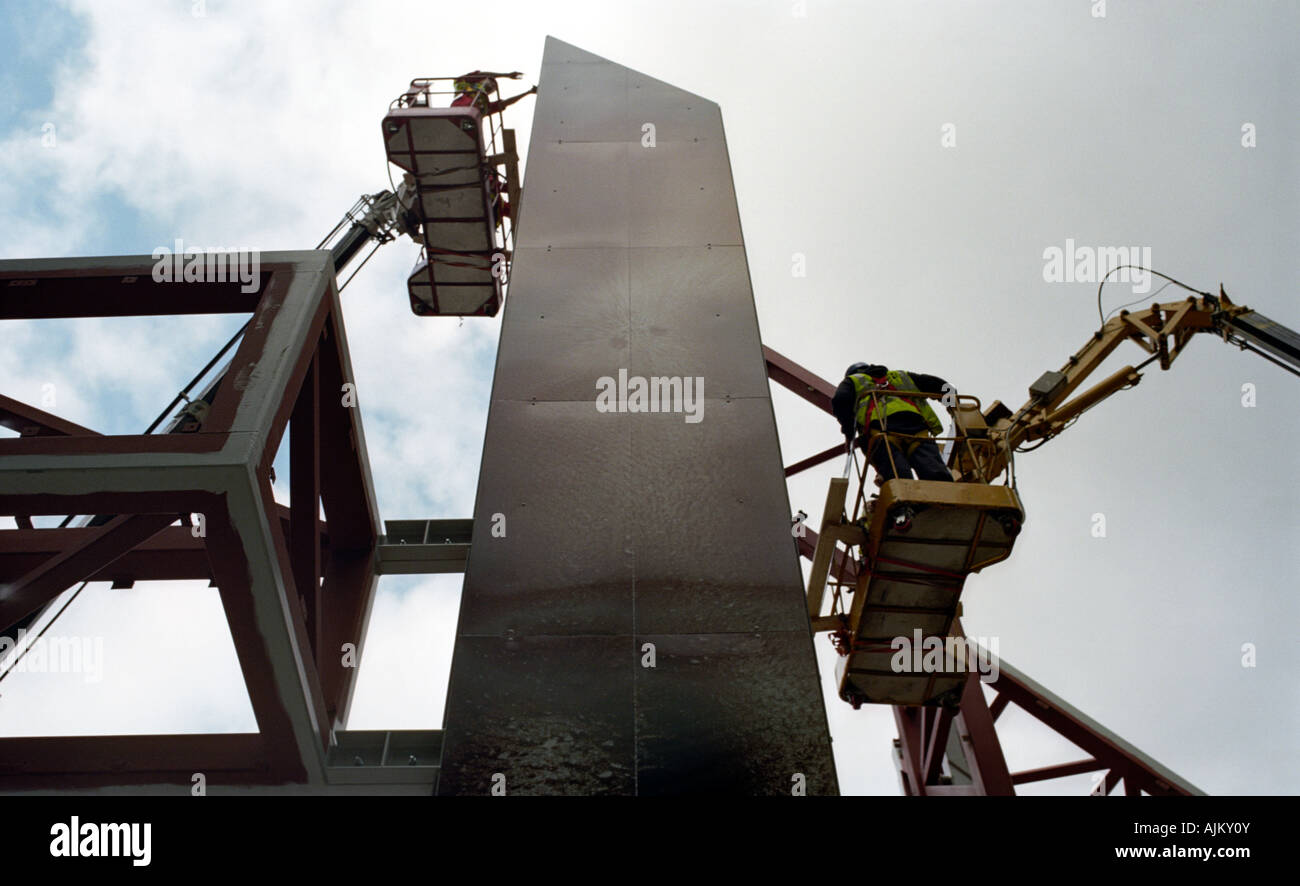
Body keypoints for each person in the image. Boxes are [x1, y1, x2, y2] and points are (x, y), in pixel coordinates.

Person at [832, 362, 955, 482]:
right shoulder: (899, 376)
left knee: (897, 478)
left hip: (881, 429)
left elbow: (840, 399)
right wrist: (953, 406)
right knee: (935, 473)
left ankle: (903, 494)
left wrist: (849, 433)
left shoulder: (853, 381)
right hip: (916, 427)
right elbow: (941, 386)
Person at [451, 70, 537, 114]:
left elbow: (504, 103)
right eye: (491, 82)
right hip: (455, 113)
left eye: (494, 88)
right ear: (481, 80)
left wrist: (528, 92)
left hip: (469, 124)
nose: (492, 87)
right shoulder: (464, 85)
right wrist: (506, 75)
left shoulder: (486, 105)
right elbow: (479, 75)